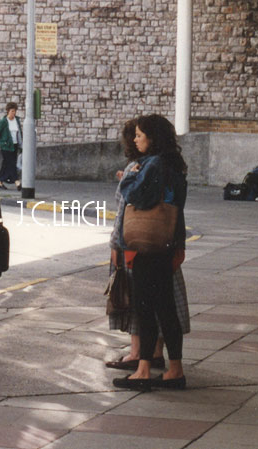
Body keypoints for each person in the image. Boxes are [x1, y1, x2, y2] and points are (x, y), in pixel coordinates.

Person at [106, 119, 191, 372]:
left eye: (140, 135)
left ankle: (144, 368)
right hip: (164, 243)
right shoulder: (172, 165)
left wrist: (128, 179)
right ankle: (171, 368)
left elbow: (136, 198)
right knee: (164, 308)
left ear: (152, 138)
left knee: (145, 309)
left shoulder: (153, 164)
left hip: (146, 246)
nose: (135, 139)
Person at [0, 102, 23, 189]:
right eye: (12, 111)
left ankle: (0, 182)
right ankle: (17, 182)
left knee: (6, 163)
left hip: (15, 145)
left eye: (15, 111)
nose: (13, 113)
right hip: (6, 146)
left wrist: (21, 145)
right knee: (11, 163)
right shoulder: (3, 122)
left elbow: (19, 133)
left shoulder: (16, 120)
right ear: (8, 111)